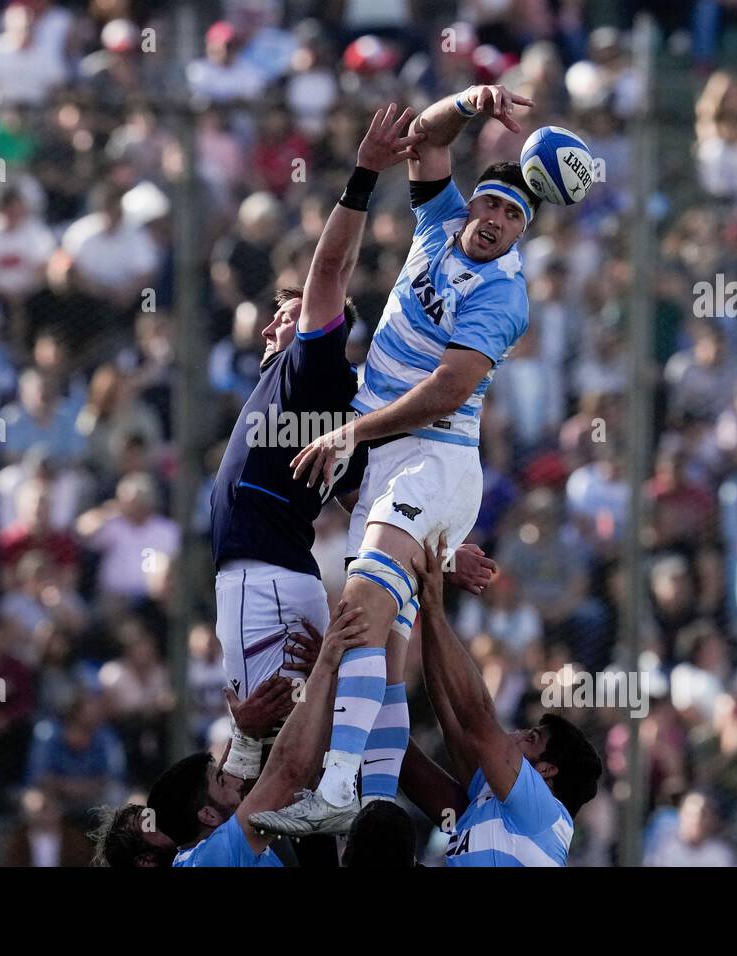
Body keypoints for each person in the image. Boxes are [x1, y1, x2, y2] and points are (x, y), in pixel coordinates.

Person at [261, 83, 540, 834]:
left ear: (522, 234)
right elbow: (424, 137)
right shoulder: (441, 218)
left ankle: (339, 790)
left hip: (432, 459)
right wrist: (475, 97)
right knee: (377, 646)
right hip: (394, 462)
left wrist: (352, 433)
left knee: (357, 616)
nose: (494, 221)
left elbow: (449, 392)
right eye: (491, 205)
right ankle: (374, 812)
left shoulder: (504, 293)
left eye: (513, 216)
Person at [209, 102, 419, 705]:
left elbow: (330, 266)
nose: (283, 312)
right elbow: (363, 503)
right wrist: (442, 556)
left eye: (296, 307)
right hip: (275, 582)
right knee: (285, 752)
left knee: (265, 755)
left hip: (263, 580)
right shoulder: (322, 403)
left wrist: (365, 175)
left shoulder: (314, 367)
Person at [258, 535, 603, 866]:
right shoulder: (490, 807)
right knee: (379, 829)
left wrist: (436, 609)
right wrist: (345, 677)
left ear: (546, 771)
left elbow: (476, 716)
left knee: (379, 832)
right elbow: (435, 735)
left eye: (531, 738)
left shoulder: (545, 814)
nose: (513, 735)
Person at [97, 606, 369, 866]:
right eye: (151, 824)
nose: (162, 817)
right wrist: (326, 665)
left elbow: (248, 783)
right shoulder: (206, 859)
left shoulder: (206, 847)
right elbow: (288, 773)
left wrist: (247, 733)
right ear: (145, 861)